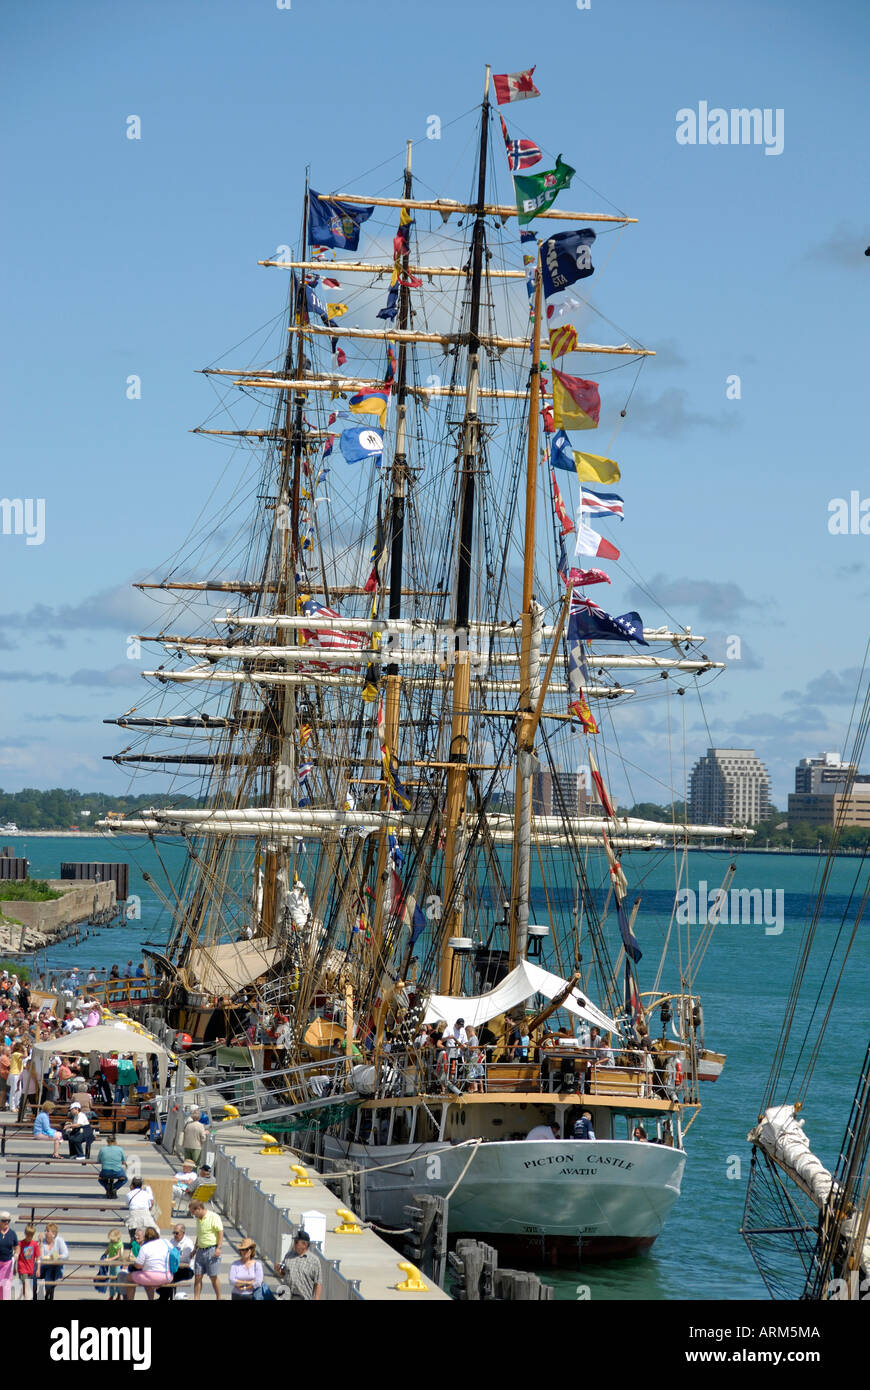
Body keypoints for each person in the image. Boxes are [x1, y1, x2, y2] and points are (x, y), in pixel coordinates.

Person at [126, 1225, 174, 1300]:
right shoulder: (166, 1242)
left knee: (129, 1277)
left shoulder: (145, 1247)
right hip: (167, 1276)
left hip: (151, 1277)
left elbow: (138, 1266)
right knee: (147, 1278)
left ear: (145, 1237)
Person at [190, 1200, 223, 1301]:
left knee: (213, 1276)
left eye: (193, 1212)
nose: (193, 1215)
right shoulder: (198, 1219)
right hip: (201, 1250)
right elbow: (199, 1235)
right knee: (198, 1277)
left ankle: (218, 1297)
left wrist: (219, 1248)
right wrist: (195, 1249)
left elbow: (220, 1232)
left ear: (199, 1209)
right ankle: (196, 1298)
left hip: (212, 1249)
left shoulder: (213, 1216)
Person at [278, 1230, 322, 1301]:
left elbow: (318, 1282)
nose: (294, 1244)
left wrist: (316, 1298)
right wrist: (278, 1270)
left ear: (304, 1244)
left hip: (302, 1297)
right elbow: (283, 1274)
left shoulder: (314, 1261)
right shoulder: (289, 1255)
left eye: (296, 1242)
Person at [156, 1224, 195, 1301]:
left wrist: (173, 1258)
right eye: (173, 1233)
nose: (175, 1235)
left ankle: (163, 1297)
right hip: (173, 1268)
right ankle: (163, 1295)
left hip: (186, 1269)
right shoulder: (172, 1241)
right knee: (160, 1275)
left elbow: (185, 1259)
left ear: (183, 1233)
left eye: (177, 1233)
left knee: (169, 1278)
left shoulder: (188, 1243)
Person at [40, 1223, 68, 1300]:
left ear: (54, 1233)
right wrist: (41, 1243)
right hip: (43, 1267)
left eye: (47, 1231)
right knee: (34, 1275)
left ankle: (46, 1294)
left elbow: (66, 1255)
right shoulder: (43, 1241)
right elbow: (40, 1256)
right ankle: (42, 1295)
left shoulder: (59, 1240)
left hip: (55, 1268)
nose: (45, 1233)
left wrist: (56, 1256)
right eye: (45, 1230)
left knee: (48, 1277)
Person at [16, 1224, 40, 1300]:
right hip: (22, 1268)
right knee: (26, 1286)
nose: (30, 1237)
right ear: (25, 1234)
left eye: (31, 1236)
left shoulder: (35, 1244)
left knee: (25, 1287)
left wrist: (38, 1269)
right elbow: (17, 1254)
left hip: (31, 1269)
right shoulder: (20, 1244)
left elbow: (38, 1257)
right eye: (28, 1235)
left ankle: (20, 1297)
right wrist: (14, 1267)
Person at [0, 1212, 18, 1301]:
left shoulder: (12, 1233)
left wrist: (16, 1254)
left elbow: (17, 1247)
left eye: (8, 1221)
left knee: (6, 1287)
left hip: (7, 1263)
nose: (6, 1222)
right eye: (4, 1221)